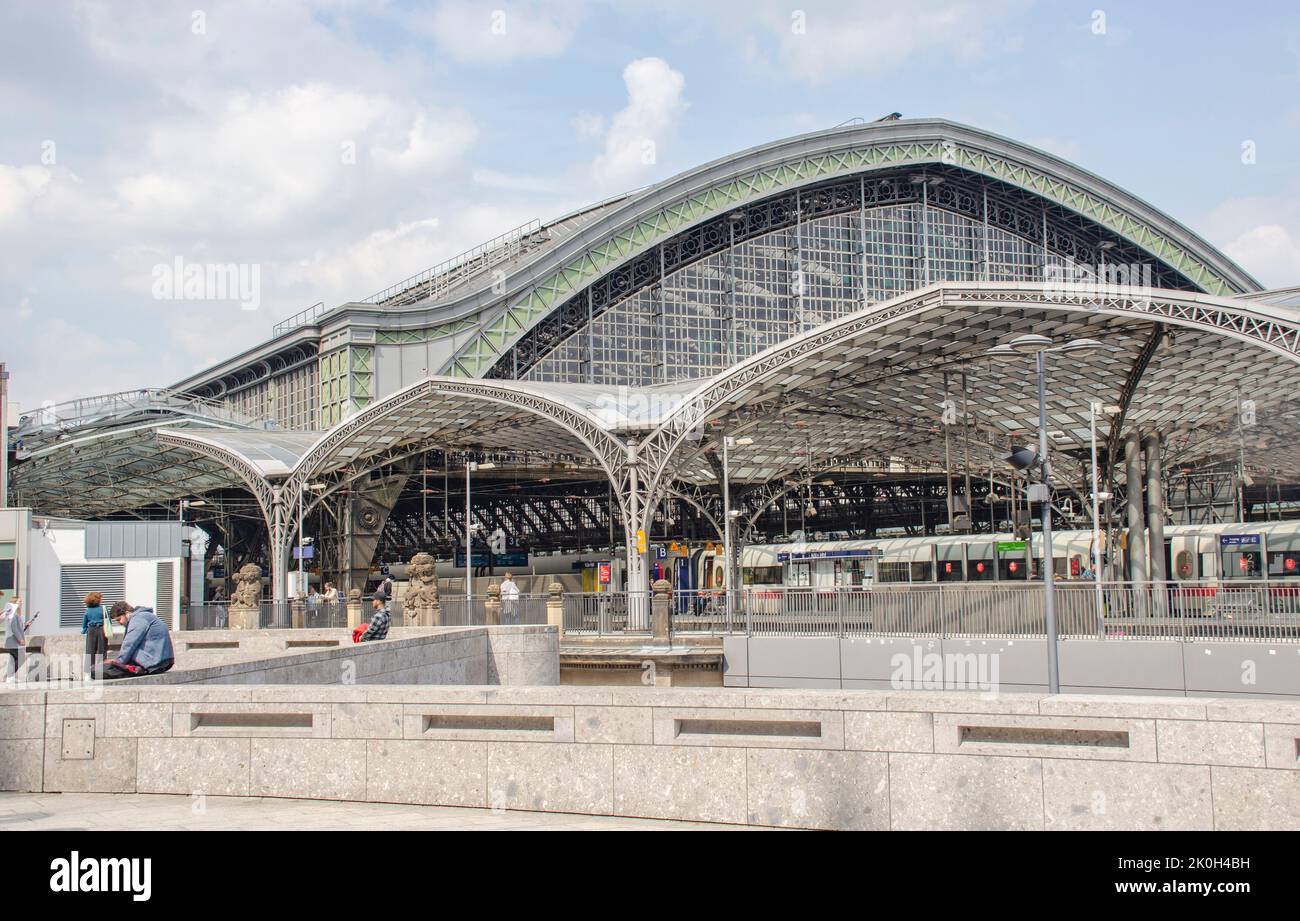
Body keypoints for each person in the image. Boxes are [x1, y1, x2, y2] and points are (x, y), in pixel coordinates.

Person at [95, 602, 175, 680]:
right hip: (160, 660)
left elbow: (130, 643)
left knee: (107, 669)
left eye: (119, 619)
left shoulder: (138, 619)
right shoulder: (145, 616)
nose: (120, 623)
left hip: (154, 661)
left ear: (127, 613)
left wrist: (118, 662)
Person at [2, 597, 32, 683]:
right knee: (17, 657)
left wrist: (26, 625)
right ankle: (10, 676)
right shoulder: (12, 613)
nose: (21, 603)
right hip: (12, 640)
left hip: (15, 641)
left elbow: (20, 629)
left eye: (21, 601)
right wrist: (20, 639)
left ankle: (11, 676)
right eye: (19, 601)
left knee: (16, 658)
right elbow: (14, 628)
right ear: (14, 603)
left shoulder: (16, 614)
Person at [81, 592, 109, 681]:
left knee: (90, 651)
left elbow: (84, 622)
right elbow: (108, 620)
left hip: (91, 630)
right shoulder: (103, 608)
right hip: (101, 629)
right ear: (97, 599)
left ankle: (88, 674)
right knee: (102, 650)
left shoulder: (88, 610)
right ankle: (101, 672)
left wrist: (84, 629)